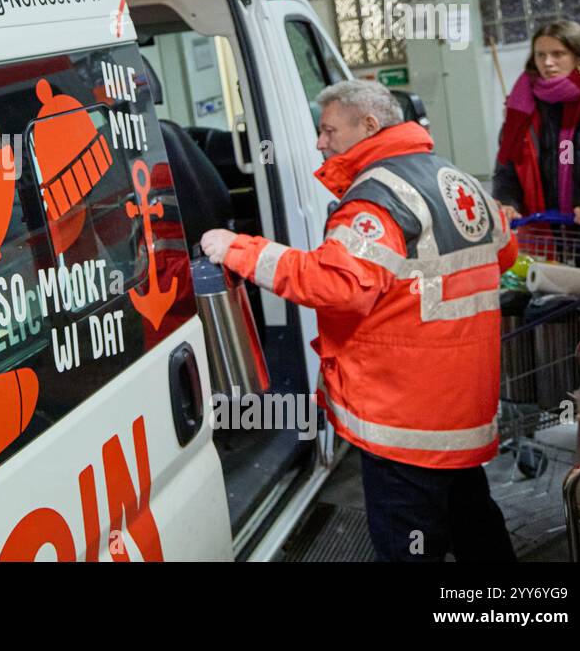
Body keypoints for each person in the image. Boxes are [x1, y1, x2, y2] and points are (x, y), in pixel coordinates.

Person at [200, 80, 518, 562]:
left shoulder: (377, 199)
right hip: (462, 403)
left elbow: (334, 284)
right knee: (473, 521)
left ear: (369, 125)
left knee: (409, 542)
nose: (319, 142)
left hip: (404, 415)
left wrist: (238, 249)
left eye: (329, 130)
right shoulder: (456, 178)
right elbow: (505, 253)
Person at [494, 19, 580, 224]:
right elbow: (506, 171)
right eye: (540, 55)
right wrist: (507, 202)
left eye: (558, 54)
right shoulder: (521, 108)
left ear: (579, 57)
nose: (548, 62)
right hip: (544, 228)